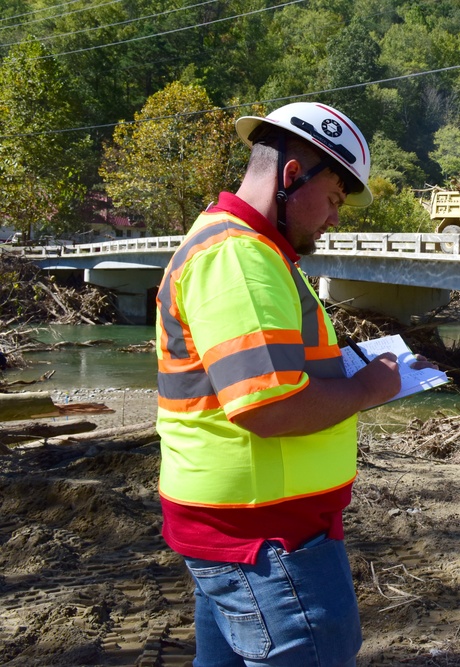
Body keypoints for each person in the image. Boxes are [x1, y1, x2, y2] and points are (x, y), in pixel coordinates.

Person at [154, 102, 405, 666]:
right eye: (336, 200)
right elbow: (266, 406)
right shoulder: (239, 254)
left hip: (249, 530)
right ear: (293, 176)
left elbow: (268, 371)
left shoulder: (246, 248)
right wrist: (370, 388)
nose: (335, 219)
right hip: (266, 540)